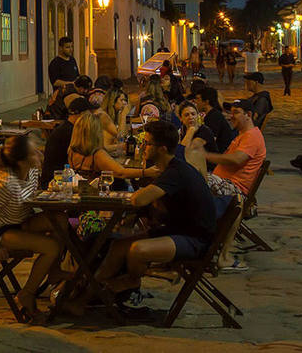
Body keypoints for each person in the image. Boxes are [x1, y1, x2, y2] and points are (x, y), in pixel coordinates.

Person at [93, 121, 217, 299]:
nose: (142, 147)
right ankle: (92, 291)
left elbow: (139, 199)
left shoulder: (176, 172)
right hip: (174, 229)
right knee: (118, 246)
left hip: (194, 239)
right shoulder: (167, 169)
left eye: (148, 143)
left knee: (137, 249)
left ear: (162, 149)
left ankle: (132, 281)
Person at [0, 135, 67, 319]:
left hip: (23, 220)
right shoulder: (5, 183)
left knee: (60, 219)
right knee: (52, 247)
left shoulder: (31, 171)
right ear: (22, 160)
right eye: (34, 151)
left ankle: (54, 270)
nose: (39, 153)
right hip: (4, 229)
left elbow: (31, 196)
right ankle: (27, 293)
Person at [204, 98, 266, 270]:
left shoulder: (252, 136)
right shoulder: (242, 136)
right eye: (231, 113)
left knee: (192, 179)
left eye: (236, 112)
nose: (232, 117)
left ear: (249, 115)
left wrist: (206, 156)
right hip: (223, 184)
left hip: (233, 189)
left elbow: (237, 160)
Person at [67, 111, 145, 181]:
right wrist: (147, 172)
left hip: (81, 191)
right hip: (98, 192)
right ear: (96, 132)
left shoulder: (71, 151)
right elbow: (121, 173)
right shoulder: (97, 154)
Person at [40, 97, 91, 187]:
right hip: (55, 181)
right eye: (89, 115)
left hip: (56, 177)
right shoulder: (70, 132)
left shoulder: (65, 127)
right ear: (82, 114)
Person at [200, 87, 234, 154]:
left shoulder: (214, 116)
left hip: (221, 155)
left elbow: (210, 140)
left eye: (198, 99)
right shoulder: (212, 114)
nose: (196, 102)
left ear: (206, 102)